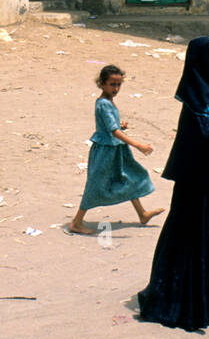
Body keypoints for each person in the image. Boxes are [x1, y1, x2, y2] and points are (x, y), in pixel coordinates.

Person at [137, 37, 209, 331]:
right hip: (201, 184)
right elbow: (206, 139)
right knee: (197, 231)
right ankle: (193, 294)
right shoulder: (197, 98)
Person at [68, 65, 164, 234]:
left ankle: (142, 213)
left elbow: (111, 127)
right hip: (105, 151)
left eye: (119, 85)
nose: (116, 89)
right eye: (112, 84)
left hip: (115, 149)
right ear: (102, 83)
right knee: (95, 184)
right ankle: (76, 222)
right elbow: (113, 131)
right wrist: (138, 145)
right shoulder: (103, 104)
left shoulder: (108, 102)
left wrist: (121, 126)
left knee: (128, 177)